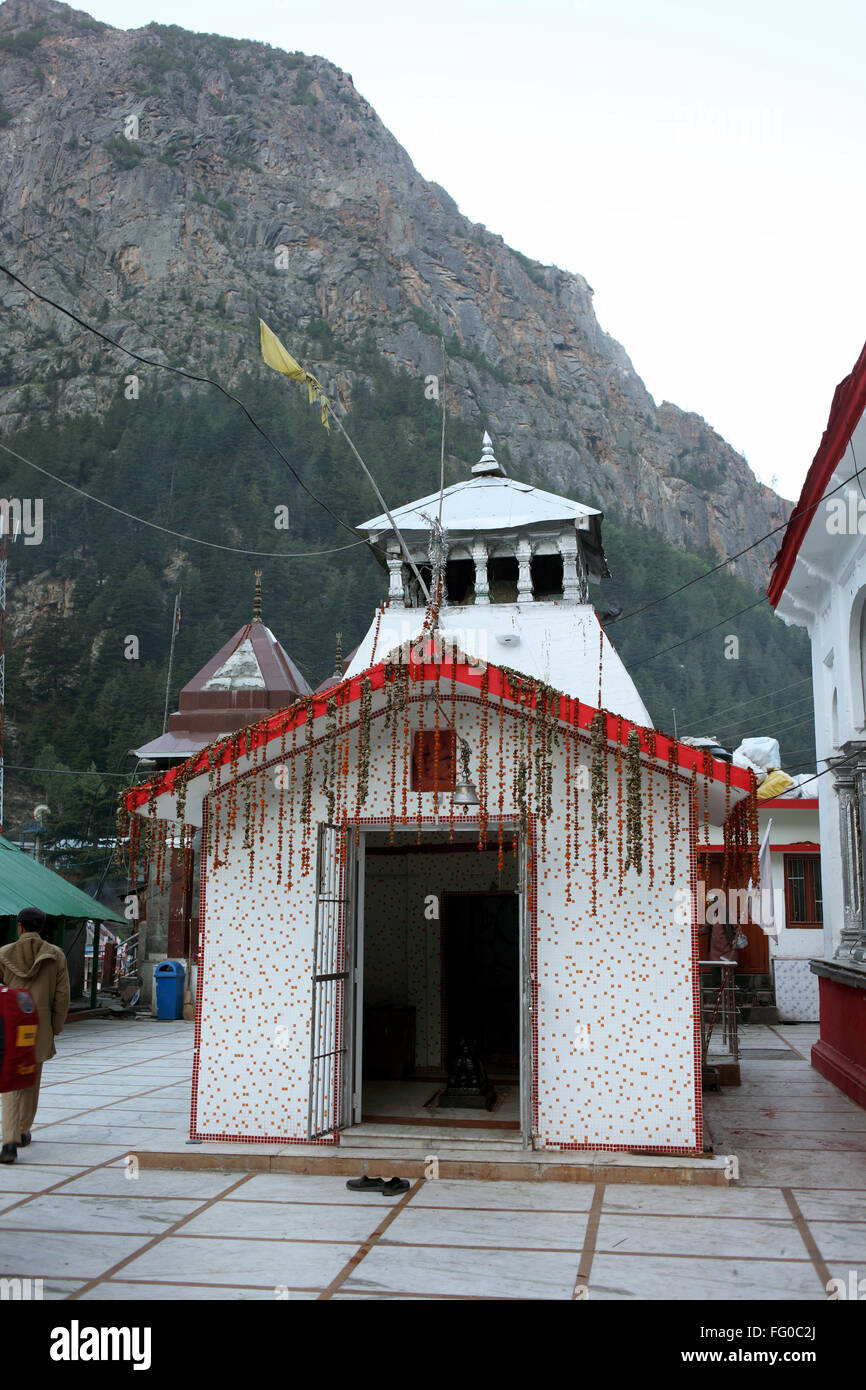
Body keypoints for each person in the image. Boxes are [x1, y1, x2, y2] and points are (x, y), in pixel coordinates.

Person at [0, 906, 70, 1163]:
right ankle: (22, 1131)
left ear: (19, 927)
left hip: (9, 1024)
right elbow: (62, 997)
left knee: (9, 1082)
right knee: (30, 1077)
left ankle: (8, 1141)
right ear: (42, 928)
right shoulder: (56, 955)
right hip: (38, 1026)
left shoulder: (3, 954)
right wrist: (56, 1027)